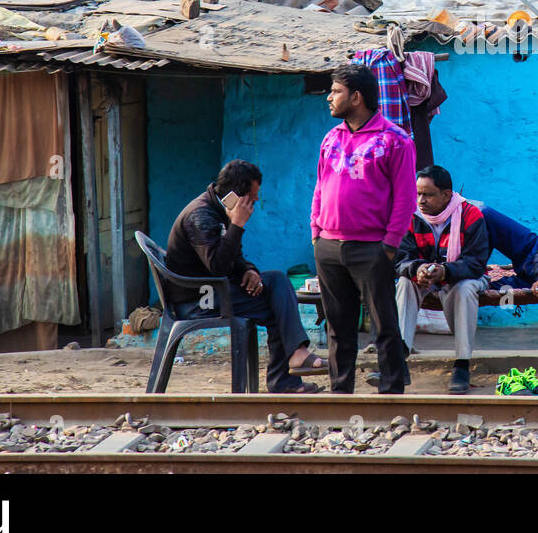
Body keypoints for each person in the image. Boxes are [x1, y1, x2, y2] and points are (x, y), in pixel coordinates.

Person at [165, 159, 326, 393]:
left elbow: (232, 255)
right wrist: (237, 225)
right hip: (197, 300)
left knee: (276, 280)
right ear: (237, 197)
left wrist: (248, 270)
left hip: (214, 290)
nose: (257, 200)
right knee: (276, 306)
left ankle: (293, 362)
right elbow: (218, 266)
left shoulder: (218, 209)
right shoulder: (201, 217)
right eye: (253, 195)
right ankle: (287, 374)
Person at [311, 64, 416, 394]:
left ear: (356, 97)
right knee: (337, 327)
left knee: (383, 325)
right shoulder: (331, 137)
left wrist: (389, 244)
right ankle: (340, 395)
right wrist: (316, 231)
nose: (329, 97)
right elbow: (320, 185)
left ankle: (391, 395)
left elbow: (405, 198)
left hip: (372, 248)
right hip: (328, 246)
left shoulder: (395, 140)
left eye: (336, 91)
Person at [391, 165, 490, 394]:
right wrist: (419, 269)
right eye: (418, 194)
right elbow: (400, 260)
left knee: (465, 289)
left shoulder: (470, 214)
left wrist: (445, 272)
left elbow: (475, 263)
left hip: (464, 277)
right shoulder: (410, 215)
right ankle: (398, 358)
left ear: (446, 195)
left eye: (428, 194)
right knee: (406, 283)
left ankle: (462, 365)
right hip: (425, 277)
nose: (421, 200)